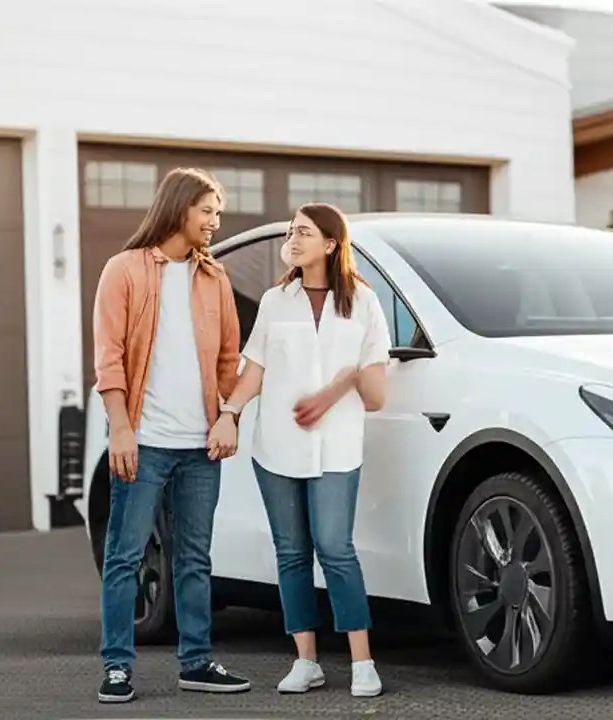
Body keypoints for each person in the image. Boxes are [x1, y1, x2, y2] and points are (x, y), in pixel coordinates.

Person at [210, 202, 390, 698]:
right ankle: (306, 661)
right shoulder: (275, 300)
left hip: (336, 450)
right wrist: (230, 413)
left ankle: (362, 663)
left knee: (336, 549)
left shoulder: (364, 304)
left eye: (304, 231)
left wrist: (341, 384)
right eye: (292, 230)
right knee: (291, 553)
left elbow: (375, 397)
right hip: (277, 448)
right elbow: (256, 370)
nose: (293, 237)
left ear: (331, 243)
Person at [91, 167, 251, 703]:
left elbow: (230, 359)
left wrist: (228, 416)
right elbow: (109, 360)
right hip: (146, 440)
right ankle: (117, 667)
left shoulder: (215, 278)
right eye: (207, 210)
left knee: (195, 559)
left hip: (200, 447)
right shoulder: (125, 271)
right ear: (179, 208)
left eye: (218, 211)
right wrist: (121, 429)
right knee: (125, 558)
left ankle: (197, 662)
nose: (215, 221)